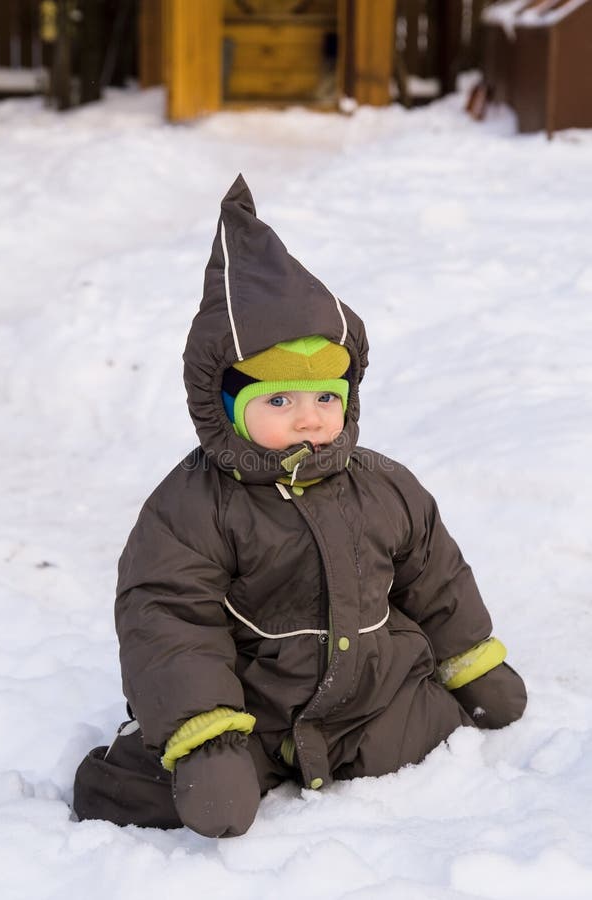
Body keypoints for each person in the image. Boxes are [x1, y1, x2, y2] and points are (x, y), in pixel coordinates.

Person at [73, 175, 527, 837]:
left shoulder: (384, 485)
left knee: (438, 729)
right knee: (143, 793)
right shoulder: (189, 508)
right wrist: (205, 734)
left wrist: (471, 661)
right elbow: (169, 622)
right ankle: (207, 755)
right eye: (279, 400)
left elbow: (434, 577)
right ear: (224, 407)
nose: (309, 419)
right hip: (250, 714)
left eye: (325, 398)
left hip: (371, 698)